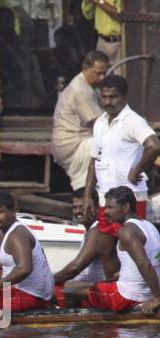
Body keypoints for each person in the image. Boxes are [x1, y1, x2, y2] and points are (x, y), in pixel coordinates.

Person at [63, 186, 160, 314]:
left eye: (110, 207)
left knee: (68, 289)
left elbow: (144, 264)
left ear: (125, 207)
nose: (106, 212)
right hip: (143, 291)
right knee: (94, 285)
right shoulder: (149, 225)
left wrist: (157, 298)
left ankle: (82, 328)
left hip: (127, 296)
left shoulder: (126, 231)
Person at [85, 75, 160, 237]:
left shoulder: (133, 121)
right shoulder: (100, 122)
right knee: (107, 251)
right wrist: (87, 196)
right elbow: (94, 160)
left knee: (131, 247)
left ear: (125, 97)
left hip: (131, 199)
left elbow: (154, 146)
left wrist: (136, 170)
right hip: (105, 197)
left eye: (113, 97)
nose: (108, 102)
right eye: (104, 97)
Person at [52, 50, 110, 194]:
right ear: (85, 69)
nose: (101, 78)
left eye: (104, 73)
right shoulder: (80, 89)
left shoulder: (90, 87)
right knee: (109, 146)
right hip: (72, 144)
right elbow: (99, 123)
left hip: (82, 139)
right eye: (98, 73)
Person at [53, 194, 118, 305]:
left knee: (49, 290)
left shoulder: (97, 231)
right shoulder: (91, 230)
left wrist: (47, 281)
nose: (78, 211)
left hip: (97, 286)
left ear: (96, 208)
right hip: (85, 283)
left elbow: (75, 268)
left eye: (83, 207)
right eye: (75, 207)